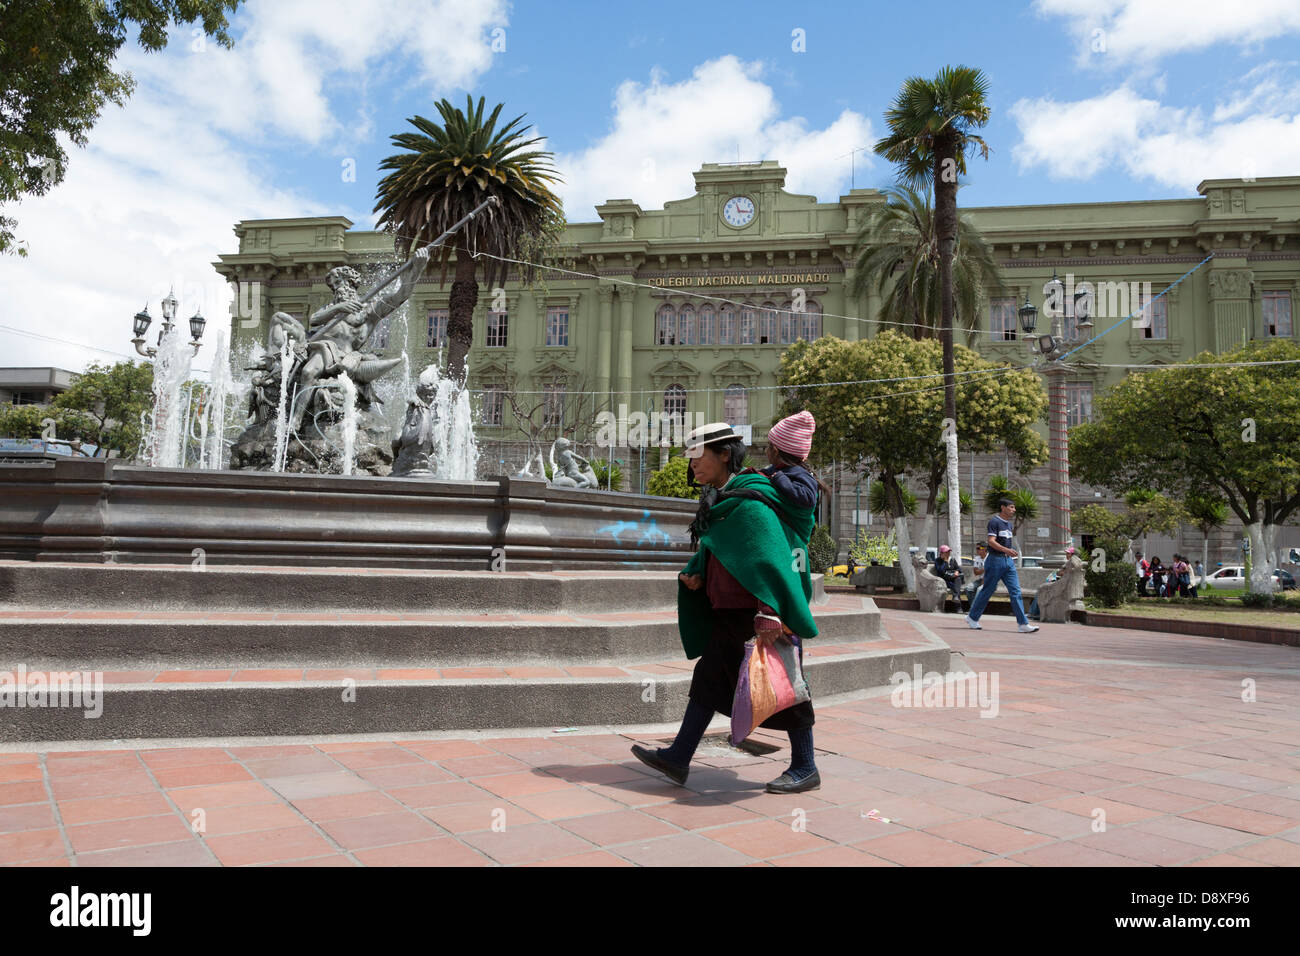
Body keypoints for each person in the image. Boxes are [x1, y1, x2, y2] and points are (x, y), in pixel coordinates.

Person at [630, 422, 822, 794]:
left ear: (723, 454)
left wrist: (770, 608)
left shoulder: (751, 499)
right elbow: (727, 551)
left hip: (758, 614)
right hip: (731, 611)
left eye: (698, 455)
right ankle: (679, 756)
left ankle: (806, 766)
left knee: (785, 688)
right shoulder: (727, 496)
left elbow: (769, 558)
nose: (692, 466)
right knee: (708, 682)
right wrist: (698, 575)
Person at [966, 498, 1039, 633]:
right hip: (995, 561)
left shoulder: (1009, 525)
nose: (1014, 510)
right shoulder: (994, 522)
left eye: (1014, 507)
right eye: (1011, 507)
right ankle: (972, 617)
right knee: (988, 590)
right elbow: (991, 541)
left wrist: (1008, 553)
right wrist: (1006, 550)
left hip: (1008, 563)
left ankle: (1023, 624)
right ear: (1003, 507)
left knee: (1016, 591)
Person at [933, 545, 965, 611]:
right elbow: (940, 571)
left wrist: (956, 572)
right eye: (946, 552)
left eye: (949, 552)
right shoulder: (937, 561)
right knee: (956, 587)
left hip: (954, 579)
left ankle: (956, 598)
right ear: (941, 553)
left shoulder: (952, 560)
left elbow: (959, 569)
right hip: (944, 581)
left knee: (957, 580)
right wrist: (945, 562)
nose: (948, 553)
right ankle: (958, 607)